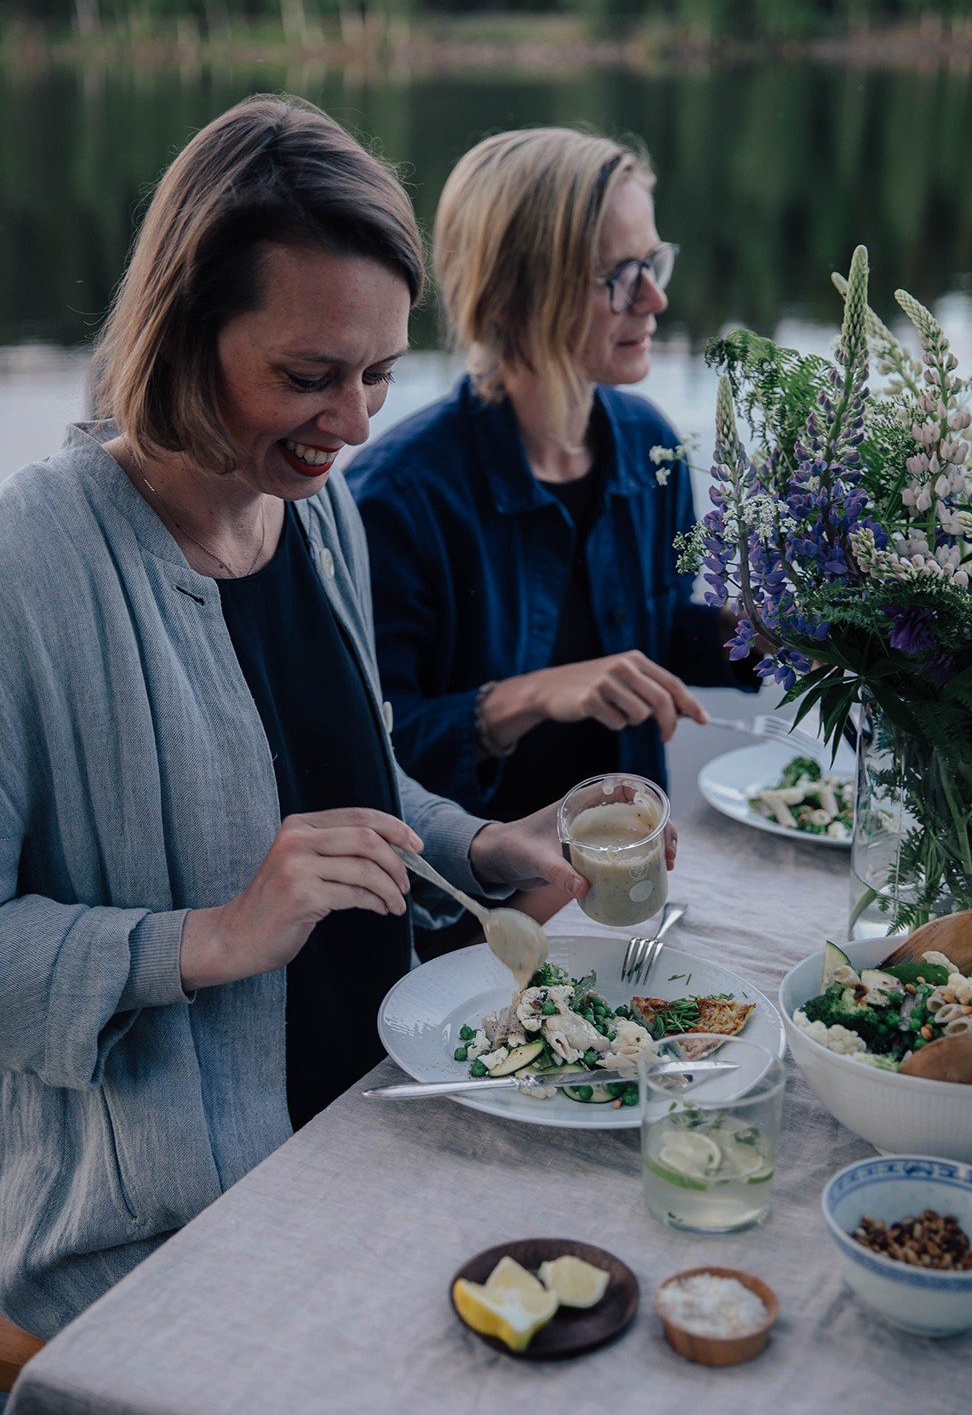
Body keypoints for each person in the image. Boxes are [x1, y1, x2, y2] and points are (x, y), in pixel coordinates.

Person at [0, 96, 597, 1341]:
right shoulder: (29, 564)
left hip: (384, 1113)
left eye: (380, 373)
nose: (357, 425)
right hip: (165, 1230)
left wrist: (484, 849)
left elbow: (358, 782)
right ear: (181, 335)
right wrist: (209, 939)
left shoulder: (319, 509)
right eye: (308, 376)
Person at [346, 126, 755, 946]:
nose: (653, 301)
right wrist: (530, 695)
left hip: (629, 896)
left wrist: (784, 636)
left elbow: (656, 635)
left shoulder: (650, 444)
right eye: (618, 277)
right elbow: (365, 755)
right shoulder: (393, 496)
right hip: (463, 927)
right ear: (509, 299)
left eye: (653, 263)